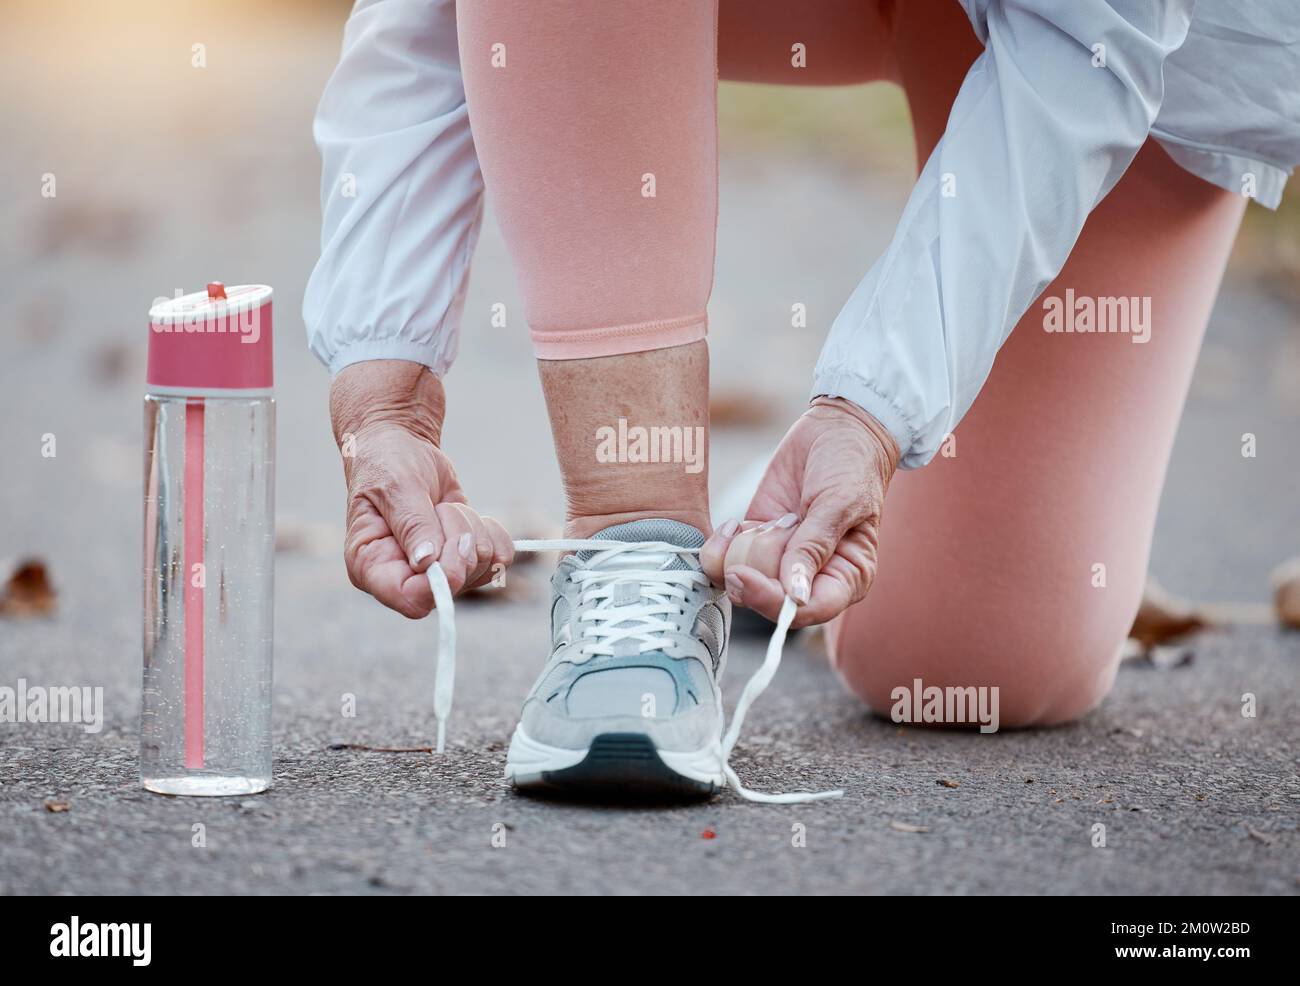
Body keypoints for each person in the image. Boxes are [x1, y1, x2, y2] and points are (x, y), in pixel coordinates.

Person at [304, 0, 1297, 796]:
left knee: (968, 668)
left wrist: (872, 408)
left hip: (1104, 35)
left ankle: (758, 515)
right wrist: (381, 380)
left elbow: (1088, 52)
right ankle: (639, 538)